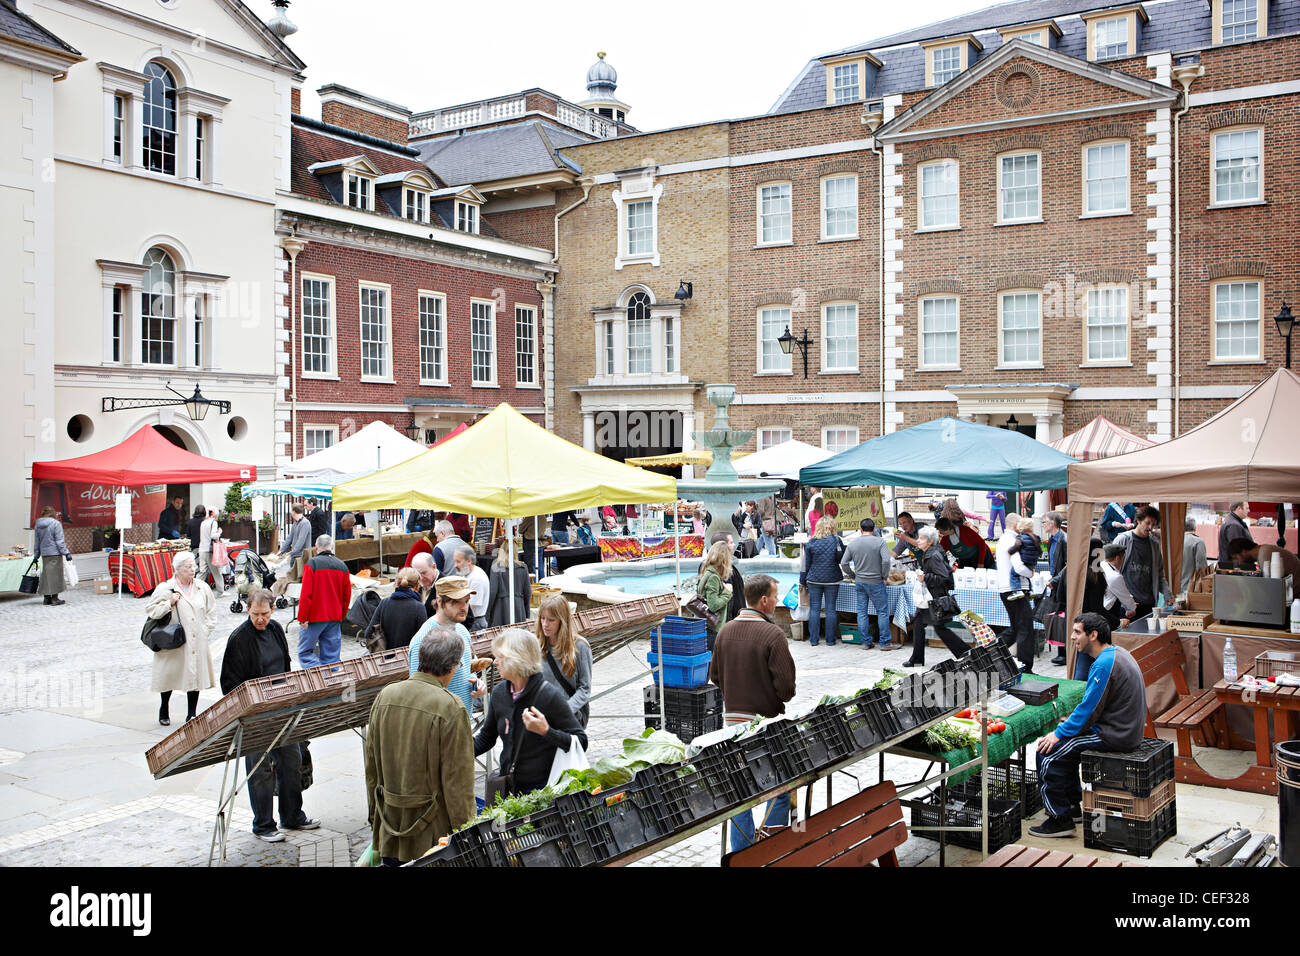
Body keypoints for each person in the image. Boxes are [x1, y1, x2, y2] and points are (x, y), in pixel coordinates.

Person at [365, 625, 475, 865]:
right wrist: (467, 832)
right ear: (453, 667)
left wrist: (375, 815)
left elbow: (371, 766)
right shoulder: (450, 707)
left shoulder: (385, 695)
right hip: (431, 839)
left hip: (390, 826)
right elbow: (458, 783)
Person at [1030, 613, 1146, 838]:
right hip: (1122, 728)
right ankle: (1072, 808)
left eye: (1077, 632)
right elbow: (1091, 708)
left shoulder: (1103, 665)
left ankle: (1059, 819)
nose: (1072, 637)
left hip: (1115, 734)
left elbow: (1089, 710)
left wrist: (1059, 733)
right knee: (1065, 748)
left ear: (1093, 635)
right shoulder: (1116, 653)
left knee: (1048, 752)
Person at [220, 589, 319, 842]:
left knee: (292, 760)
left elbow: (284, 666)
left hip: (281, 708)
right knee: (259, 770)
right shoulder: (239, 639)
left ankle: (292, 816)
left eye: (265, 613)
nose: (260, 619)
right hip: (254, 714)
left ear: (273, 610)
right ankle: (263, 824)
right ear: (247, 610)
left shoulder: (275, 629)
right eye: (255, 614)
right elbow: (229, 684)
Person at [711, 574, 797, 853]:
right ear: (763, 601)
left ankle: (742, 856)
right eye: (775, 596)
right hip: (764, 726)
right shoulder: (772, 634)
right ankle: (771, 852)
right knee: (780, 789)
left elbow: (715, 677)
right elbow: (786, 688)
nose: (777, 601)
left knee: (741, 794)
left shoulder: (724, 631)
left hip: (732, 726)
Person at [473, 627, 587, 797]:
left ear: (517, 659)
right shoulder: (499, 693)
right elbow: (486, 738)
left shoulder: (548, 696)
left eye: (500, 657)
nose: (495, 662)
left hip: (541, 793)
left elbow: (581, 741)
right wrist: (456, 754)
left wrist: (546, 731)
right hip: (508, 789)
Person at [146, 550, 216, 726]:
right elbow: (151, 611)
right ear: (178, 569)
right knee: (170, 674)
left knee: (195, 676)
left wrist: (205, 630)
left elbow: (211, 611)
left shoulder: (202, 587)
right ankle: (164, 708)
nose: (193, 569)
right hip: (174, 640)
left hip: (196, 639)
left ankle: (191, 714)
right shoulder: (165, 588)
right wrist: (168, 603)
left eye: (194, 565)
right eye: (188, 567)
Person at [408, 576, 478, 717]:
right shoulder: (423, 639)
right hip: (438, 724)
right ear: (440, 601)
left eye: (466, 601)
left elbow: (469, 669)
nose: (464, 607)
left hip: (462, 719)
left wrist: (476, 684)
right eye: (457, 602)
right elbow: (417, 691)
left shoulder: (462, 631)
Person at [906, 526, 970, 666]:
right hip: (930, 597)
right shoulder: (930, 552)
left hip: (933, 598)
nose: (918, 541)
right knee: (920, 624)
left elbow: (944, 576)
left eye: (921, 538)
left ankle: (964, 652)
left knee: (939, 628)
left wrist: (925, 577)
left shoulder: (933, 555)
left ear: (929, 542)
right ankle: (917, 659)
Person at [536, 593, 592, 727]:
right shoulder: (538, 645)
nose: (545, 624)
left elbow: (585, 688)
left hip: (570, 718)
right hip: (544, 718)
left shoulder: (580, 646)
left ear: (562, 620)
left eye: (551, 620)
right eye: (542, 619)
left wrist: (565, 710)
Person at [296, 534, 351, 668]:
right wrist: (341, 615)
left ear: (316, 547)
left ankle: (318, 677)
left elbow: (306, 594)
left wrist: (302, 618)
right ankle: (331, 681)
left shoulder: (312, 564)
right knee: (332, 656)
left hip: (314, 617)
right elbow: (346, 596)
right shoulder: (342, 566)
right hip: (334, 617)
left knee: (305, 652)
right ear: (331, 547)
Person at [841, 518, 895, 650]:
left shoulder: (853, 543)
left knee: (862, 612)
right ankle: (885, 643)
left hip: (860, 581)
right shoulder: (880, 542)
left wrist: (853, 575)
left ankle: (865, 642)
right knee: (882, 612)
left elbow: (844, 563)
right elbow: (886, 561)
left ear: (860, 529)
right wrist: (884, 575)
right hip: (876, 581)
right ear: (874, 529)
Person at [1112, 505, 1174, 621]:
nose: (1150, 527)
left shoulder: (1154, 545)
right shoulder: (1123, 540)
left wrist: (1167, 594)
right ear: (1138, 520)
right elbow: (1110, 571)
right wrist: (1125, 599)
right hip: (1127, 606)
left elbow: (1160, 574)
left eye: (1153, 524)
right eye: (1147, 523)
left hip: (1148, 604)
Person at [995, 513, 1036, 673]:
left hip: (1007, 588)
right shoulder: (1013, 540)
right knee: (1025, 627)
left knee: (1016, 628)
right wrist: (1030, 573)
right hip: (1015, 589)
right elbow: (1018, 566)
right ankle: (1026, 666)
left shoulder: (1003, 539)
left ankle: (992, 651)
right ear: (1016, 524)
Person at [800, 516, 843, 647]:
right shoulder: (836, 540)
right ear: (832, 527)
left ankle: (814, 640)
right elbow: (841, 559)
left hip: (814, 580)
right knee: (830, 609)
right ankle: (830, 640)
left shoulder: (811, 542)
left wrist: (802, 580)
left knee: (814, 609)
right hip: (832, 578)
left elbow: (805, 565)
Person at [363, 568, 428, 651]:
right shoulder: (419, 607)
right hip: (408, 658)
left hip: (385, 658)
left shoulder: (384, 603)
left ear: (396, 583)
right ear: (417, 586)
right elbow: (424, 640)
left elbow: (368, 633)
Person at [697, 539, 735, 650]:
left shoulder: (708, 573)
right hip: (712, 630)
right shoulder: (713, 577)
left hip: (707, 628)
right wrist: (727, 592)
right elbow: (713, 605)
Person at [1042, 512, 1069, 665]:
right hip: (1056, 581)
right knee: (1057, 615)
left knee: (1061, 615)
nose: (1043, 524)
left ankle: (1064, 653)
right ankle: (1061, 651)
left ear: (1053, 523)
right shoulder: (1052, 540)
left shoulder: (1063, 539)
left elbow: (1068, 564)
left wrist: (1056, 579)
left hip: (1061, 583)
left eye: (1044, 522)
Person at [488, 537, 532, 626]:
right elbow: (528, 592)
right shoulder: (523, 567)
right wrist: (526, 611)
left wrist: (488, 612)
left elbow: (492, 592)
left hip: (500, 609)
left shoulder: (497, 566)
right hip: (518, 608)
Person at [33, 506, 72, 606]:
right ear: (53, 513)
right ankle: (55, 599)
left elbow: (37, 541)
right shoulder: (56, 524)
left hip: (44, 554)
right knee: (55, 576)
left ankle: (46, 599)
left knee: (46, 576)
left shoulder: (38, 524)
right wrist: (66, 553)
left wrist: (36, 555)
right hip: (55, 553)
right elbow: (59, 541)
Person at [709, 530, 747, 621]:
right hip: (729, 620)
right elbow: (726, 599)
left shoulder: (727, 567)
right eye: (731, 542)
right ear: (722, 546)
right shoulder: (720, 569)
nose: (734, 545)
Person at [452, 545, 490, 630]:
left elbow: (470, 606)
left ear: (469, 561)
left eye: (458, 562)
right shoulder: (466, 573)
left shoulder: (477, 578)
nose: (455, 565)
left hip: (474, 623)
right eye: (455, 561)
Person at [198, 508, 225, 597]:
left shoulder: (203, 522)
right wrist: (219, 532)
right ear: (213, 514)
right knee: (216, 571)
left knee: (202, 572)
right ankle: (220, 591)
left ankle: (195, 588)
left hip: (201, 549)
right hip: (209, 550)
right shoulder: (213, 522)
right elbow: (213, 535)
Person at [1181, 517, 1207, 592]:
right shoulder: (1198, 542)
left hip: (1175, 586)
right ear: (1195, 528)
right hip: (1190, 587)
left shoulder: (1175, 540)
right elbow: (1202, 567)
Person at [410, 551, 439, 617]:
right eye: (417, 574)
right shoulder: (412, 583)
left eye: (423, 573)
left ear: (434, 567)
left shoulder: (446, 584)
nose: (420, 577)